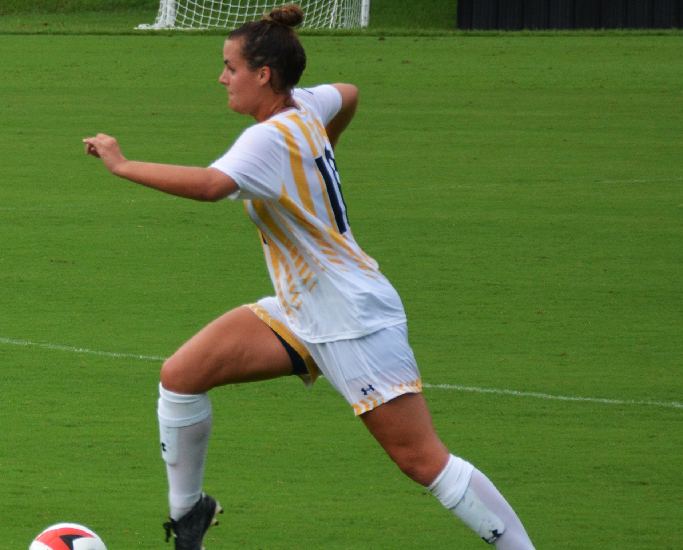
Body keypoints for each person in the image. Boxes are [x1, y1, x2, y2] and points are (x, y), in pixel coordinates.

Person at [83, 5, 536, 550]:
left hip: (351, 316)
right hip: (303, 308)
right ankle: (189, 517)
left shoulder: (268, 141)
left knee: (422, 460)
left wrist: (121, 164)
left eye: (230, 67)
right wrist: (326, 149)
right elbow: (348, 93)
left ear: (263, 75)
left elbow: (209, 186)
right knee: (181, 375)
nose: (222, 78)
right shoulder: (306, 105)